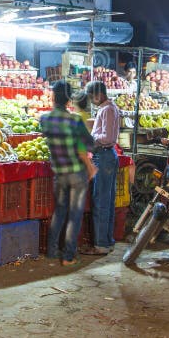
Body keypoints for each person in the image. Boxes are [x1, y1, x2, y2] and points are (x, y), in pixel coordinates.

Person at [40, 80, 97, 266]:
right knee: (74, 216)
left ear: (54, 97)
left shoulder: (45, 119)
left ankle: (51, 251)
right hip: (76, 174)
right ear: (69, 99)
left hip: (59, 173)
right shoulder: (74, 120)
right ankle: (68, 256)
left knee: (59, 211)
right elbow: (88, 145)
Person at [84, 80, 121, 255]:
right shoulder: (109, 109)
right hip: (107, 156)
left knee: (101, 201)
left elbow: (107, 137)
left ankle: (100, 245)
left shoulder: (107, 110)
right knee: (108, 200)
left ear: (98, 95)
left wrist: (92, 139)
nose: (92, 101)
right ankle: (107, 241)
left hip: (104, 156)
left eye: (92, 98)